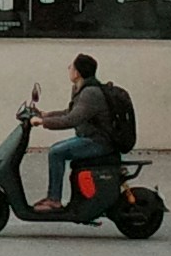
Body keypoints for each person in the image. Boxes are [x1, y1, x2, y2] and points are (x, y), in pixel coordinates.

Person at [29, 53, 119, 209]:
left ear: (77, 73)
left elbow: (72, 119)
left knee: (56, 152)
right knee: (57, 150)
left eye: (71, 66)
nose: (68, 68)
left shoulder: (91, 93)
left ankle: (54, 199)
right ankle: (55, 198)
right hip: (90, 139)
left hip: (98, 143)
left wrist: (43, 122)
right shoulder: (83, 90)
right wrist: (46, 115)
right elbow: (70, 112)